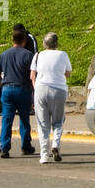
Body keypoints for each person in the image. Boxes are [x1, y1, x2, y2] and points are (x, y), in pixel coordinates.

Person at [30, 32, 71, 163]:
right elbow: (68, 73)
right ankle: (55, 144)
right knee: (58, 121)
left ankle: (43, 155)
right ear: (56, 43)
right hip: (59, 90)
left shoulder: (38, 55)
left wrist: (36, 88)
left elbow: (32, 75)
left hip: (41, 89)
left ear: (44, 43)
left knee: (43, 123)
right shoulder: (63, 55)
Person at [0, 29, 35, 158]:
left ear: (12, 40)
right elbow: (32, 74)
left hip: (7, 89)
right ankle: (25, 146)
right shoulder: (29, 55)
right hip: (23, 89)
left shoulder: (4, 54)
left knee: (7, 119)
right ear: (24, 41)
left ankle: (4, 148)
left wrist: (2, 84)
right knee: (24, 119)